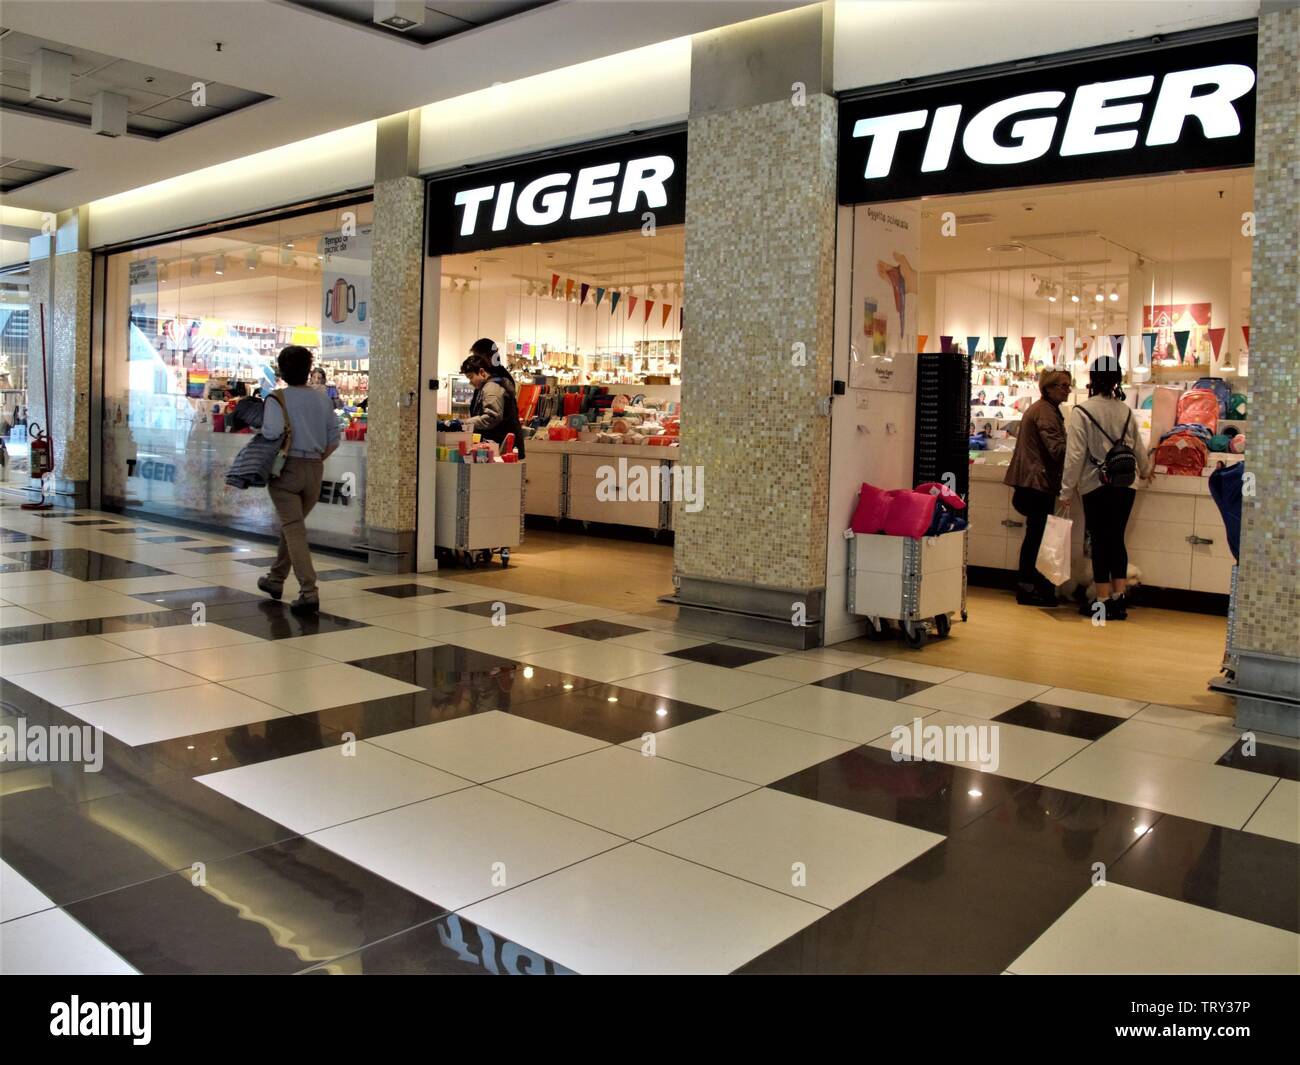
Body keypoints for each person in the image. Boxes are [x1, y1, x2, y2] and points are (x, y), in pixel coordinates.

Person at [1060, 356, 1153, 620]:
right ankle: (1118, 598)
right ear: (1117, 379)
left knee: (1099, 541)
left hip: (1096, 484)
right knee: (1116, 539)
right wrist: (1145, 470)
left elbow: (1075, 455)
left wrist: (1066, 490)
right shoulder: (1124, 410)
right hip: (1126, 483)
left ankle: (1100, 602)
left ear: (1092, 378)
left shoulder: (1083, 411)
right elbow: (1137, 447)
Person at [256, 345, 340, 615]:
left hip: (286, 471)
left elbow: (271, 433)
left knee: (293, 528)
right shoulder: (323, 400)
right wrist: (314, 460)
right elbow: (334, 440)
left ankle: (308, 591)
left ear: (280, 370)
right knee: (292, 526)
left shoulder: (276, 399)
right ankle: (275, 579)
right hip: (315, 470)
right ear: (309, 371)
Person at [1004, 369, 1071, 606]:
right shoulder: (1046, 413)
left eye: (1068, 385)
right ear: (1049, 388)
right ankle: (1029, 587)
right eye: (1063, 385)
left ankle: (1029, 585)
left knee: (1035, 534)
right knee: (1037, 536)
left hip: (1032, 479)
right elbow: (1057, 449)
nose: (1068, 389)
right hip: (1037, 481)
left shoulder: (1044, 409)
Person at [458, 338, 525, 459]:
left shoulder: (493, 382)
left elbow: (492, 417)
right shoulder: (495, 377)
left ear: (486, 356)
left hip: (500, 446)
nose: (476, 360)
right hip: (500, 445)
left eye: (477, 356)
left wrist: (464, 423)